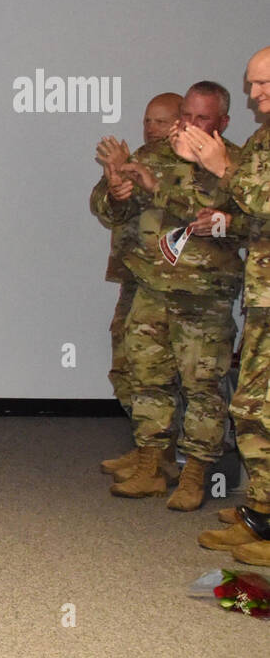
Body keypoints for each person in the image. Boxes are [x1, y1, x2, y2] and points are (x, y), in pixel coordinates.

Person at [97, 82, 243, 511]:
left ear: (223, 122)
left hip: (205, 295)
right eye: (187, 116)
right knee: (147, 378)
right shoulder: (153, 155)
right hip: (150, 287)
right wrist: (115, 192)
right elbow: (107, 209)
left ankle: (195, 473)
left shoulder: (233, 164)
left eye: (203, 118)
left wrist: (155, 187)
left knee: (202, 387)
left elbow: (237, 221)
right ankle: (150, 465)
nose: (191, 126)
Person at [171, 51, 270, 563]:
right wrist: (228, 223)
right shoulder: (263, 137)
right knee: (252, 407)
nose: (255, 95)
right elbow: (253, 209)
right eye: (251, 86)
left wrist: (223, 165)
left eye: (262, 84)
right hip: (263, 293)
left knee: (259, 406)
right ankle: (261, 514)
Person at [90, 93, 181, 434]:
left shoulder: (192, 162)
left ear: (181, 120)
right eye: (147, 120)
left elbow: (181, 209)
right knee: (125, 363)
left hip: (172, 281)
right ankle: (149, 446)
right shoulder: (138, 156)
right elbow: (102, 206)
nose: (151, 128)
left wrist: (134, 174)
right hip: (134, 276)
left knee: (158, 369)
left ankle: (162, 449)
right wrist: (113, 185)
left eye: (161, 121)